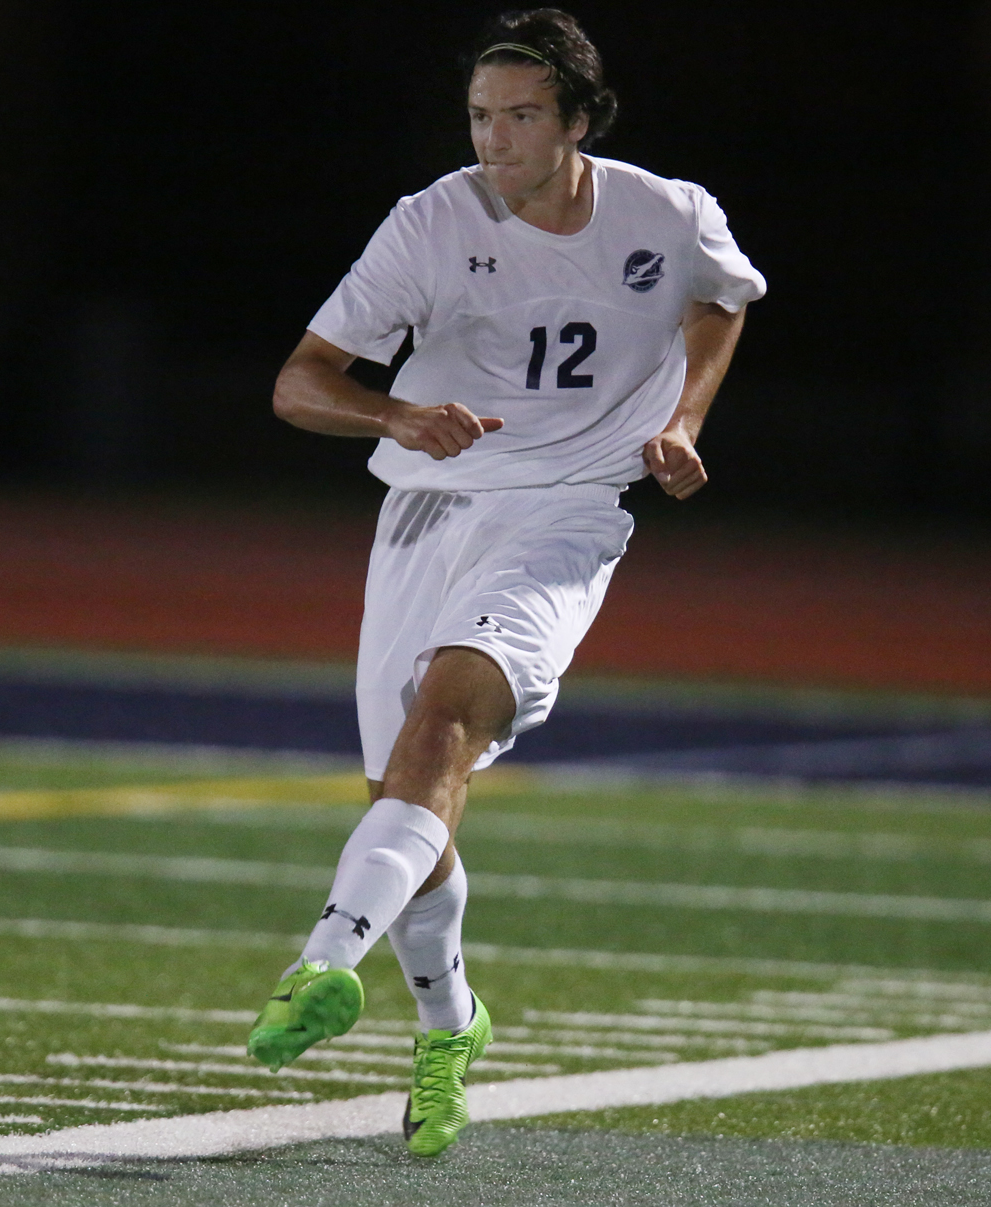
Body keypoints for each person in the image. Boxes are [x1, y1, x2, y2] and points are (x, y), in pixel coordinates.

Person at [245, 7, 765, 1157]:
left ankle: (321, 962)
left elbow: (722, 299)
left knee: (446, 716)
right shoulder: (430, 222)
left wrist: (682, 417)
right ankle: (452, 1025)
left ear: (580, 122)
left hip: (567, 512)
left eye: (522, 116)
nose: (493, 139)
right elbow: (299, 382)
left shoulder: (668, 213)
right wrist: (395, 415)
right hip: (427, 514)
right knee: (407, 796)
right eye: (481, 115)